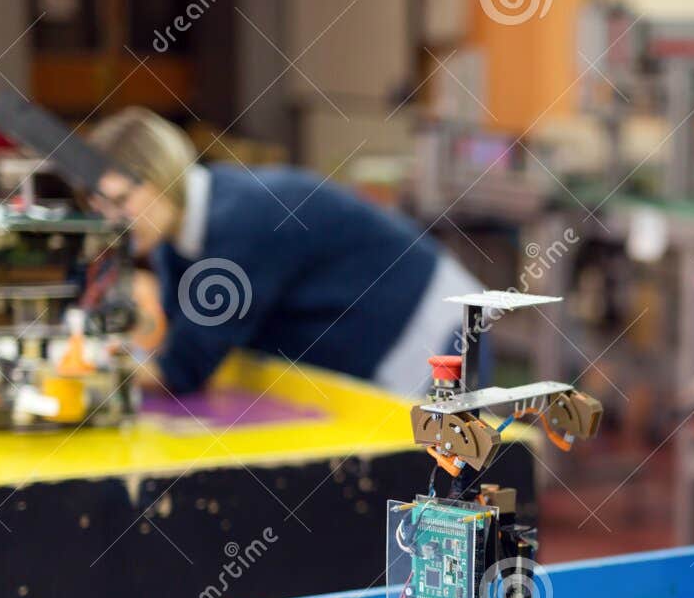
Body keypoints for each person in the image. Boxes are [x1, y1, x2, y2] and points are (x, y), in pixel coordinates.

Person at [85, 108, 482, 396]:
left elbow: (185, 368)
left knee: (447, 488)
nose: (112, 221)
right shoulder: (176, 240)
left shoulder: (241, 223)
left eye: (122, 200)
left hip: (432, 323)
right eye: (100, 206)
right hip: (375, 344)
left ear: (162, 176)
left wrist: (91, 367)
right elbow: (179, 337)